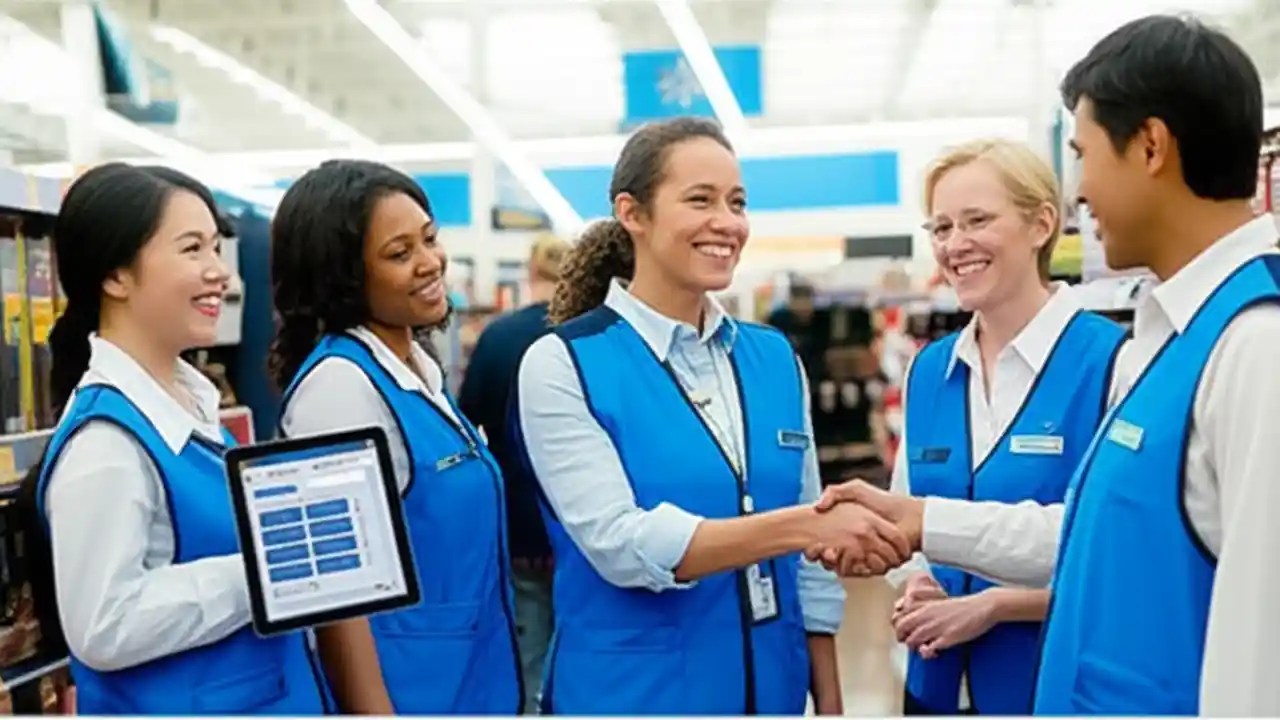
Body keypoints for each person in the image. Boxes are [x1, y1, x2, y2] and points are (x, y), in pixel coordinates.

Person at [816, 14, 1280, 716]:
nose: (1081, 192)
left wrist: (963, 568)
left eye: (1084, 154)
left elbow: (1260, 638)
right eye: (941, 227)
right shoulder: (1175, 338)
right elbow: (1085, 534)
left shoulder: (1254, 344)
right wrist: (919, 523)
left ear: (1150, 146)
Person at [511, 116, 911, 716]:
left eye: (738, 202)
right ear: (632, 212)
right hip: (634, 697)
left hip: (770, 692)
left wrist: (828, 697)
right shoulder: (564, 363)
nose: (727, 222)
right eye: (700, 200)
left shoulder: (775, 358)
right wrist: (805, 526)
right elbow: (622, 543)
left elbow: (811, 565)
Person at [15, 163, 328, 714]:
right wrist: (263, 568)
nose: (220, 276)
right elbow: (104, 626)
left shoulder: (191, 406)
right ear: (116, 276)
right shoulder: (105, 446)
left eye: (215, 249)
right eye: (191, 250)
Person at [270, 159, 521, 714]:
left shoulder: (417, 372)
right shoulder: (338, 389)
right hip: (410, 695)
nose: (430, 263)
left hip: (467, 685)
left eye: (429, 240)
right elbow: (335, 596)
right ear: (344, 277)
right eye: (399, 253)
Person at [886, 139, 1125, 715]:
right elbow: (907, 515)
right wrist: (915, 583)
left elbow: (1111, 550)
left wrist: (997, 606)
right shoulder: (929, 370)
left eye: (977, 221)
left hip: (1055, 689)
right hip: (936, 687)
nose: (954, 245)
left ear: (1042, 224)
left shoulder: (1114, 362)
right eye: (941, 227)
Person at [458, 232, 569, 713]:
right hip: (584, 533)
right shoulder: (591, 336)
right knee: (582, 654)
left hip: (520, 530)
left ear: (529, 273)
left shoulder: (498, 338)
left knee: (526, 659)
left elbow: (467, 425)